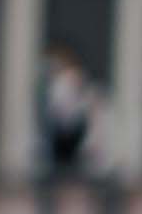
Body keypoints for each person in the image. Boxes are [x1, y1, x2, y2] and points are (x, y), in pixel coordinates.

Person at [39, 46, 100, 175]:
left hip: (72, 127)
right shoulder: (54, 82)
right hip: (61, 128)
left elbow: (82, 103)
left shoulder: (72, 78)